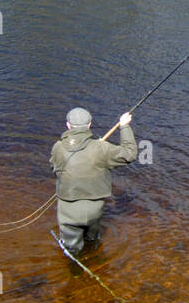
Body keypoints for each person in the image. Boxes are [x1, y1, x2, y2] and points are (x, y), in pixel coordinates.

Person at [50, 107, 137, 255]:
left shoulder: (58, 147)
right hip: (95, 207)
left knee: (71, 248)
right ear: (89, 124)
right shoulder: (102, 147)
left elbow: (55, 167)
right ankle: (94, 254)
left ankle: (76, 271)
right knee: (92, 238)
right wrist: (124, 126)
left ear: (68, 125)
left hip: (68, 208)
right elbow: (129, 154)